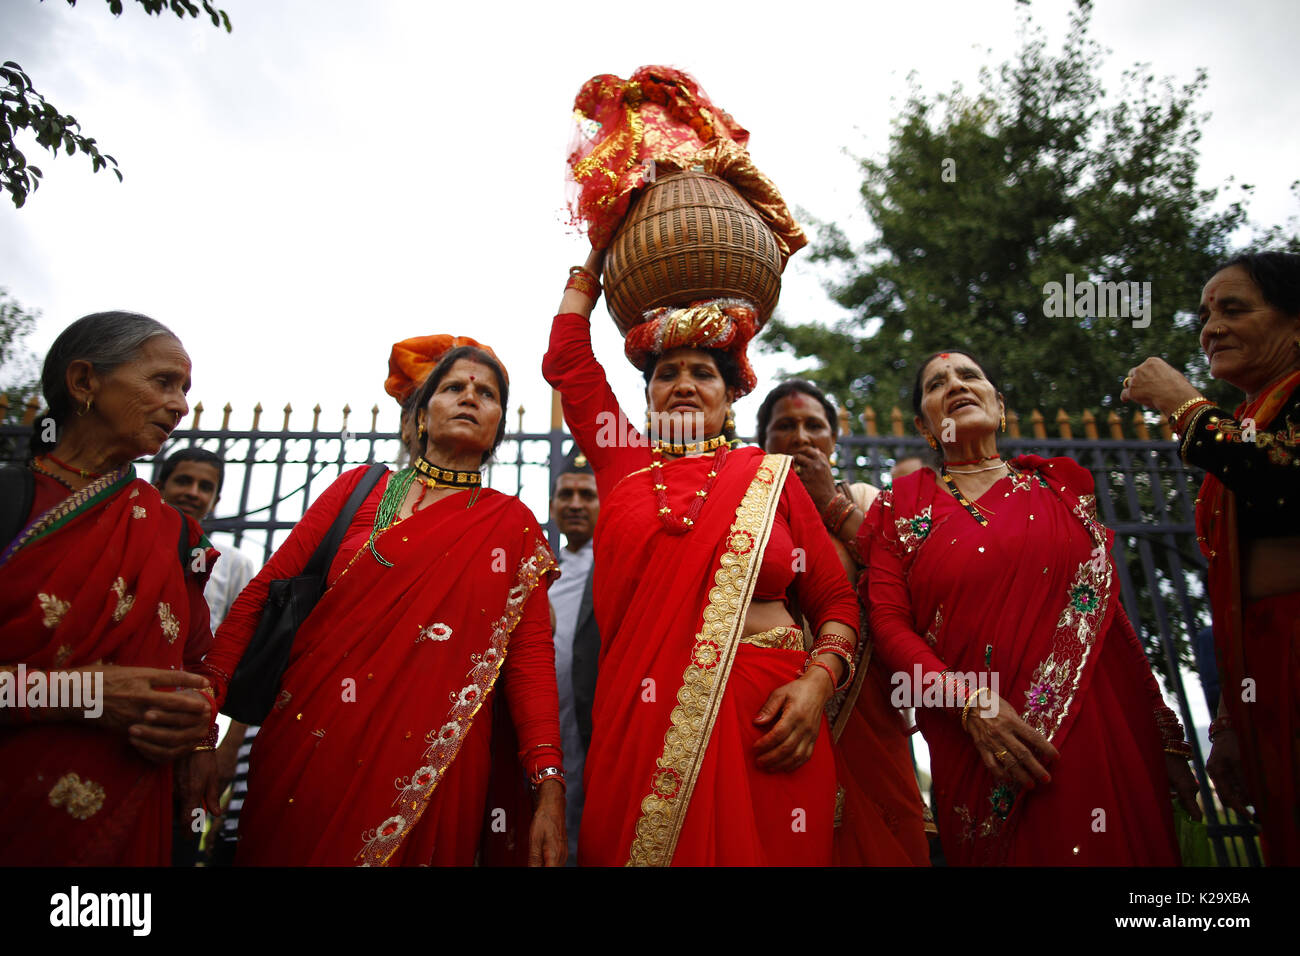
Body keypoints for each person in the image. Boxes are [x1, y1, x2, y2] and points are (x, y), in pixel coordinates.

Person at [189, 336, 567, 866]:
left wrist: (548, 785)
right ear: (420, 414)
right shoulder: (357, 491)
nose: (470, 396)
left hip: (434, 765)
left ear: (497, 426)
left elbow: (530, 665)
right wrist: (204, 731)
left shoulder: (513, 526)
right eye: (454, 386)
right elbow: (258, 598)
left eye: (487, 393)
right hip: (310, 745)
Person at [544, 255, 860, 866]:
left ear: (730, 394)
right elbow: (565, 360)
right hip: (643, 726)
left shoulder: (772, 478)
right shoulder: (623, 464)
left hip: (771, 725)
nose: (684, 383)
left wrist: (817, 686)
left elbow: (835, 603)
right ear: (648, 395)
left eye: (702, 373)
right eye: (666, 374)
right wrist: (596, 256)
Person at [860, 348, 1200, 865]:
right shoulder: (897, 507)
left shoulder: (1061, 487)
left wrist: (1162, 730)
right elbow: (887, 624)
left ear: (1000, 406)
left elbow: (1107, 616)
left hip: (1093, 725)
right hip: (976, 748)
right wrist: (967, 702)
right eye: (937, 384)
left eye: (970, 375)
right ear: (924, 424)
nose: (956, 385)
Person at [0, 311, 216, 865]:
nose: (180, 405)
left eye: (185, 389)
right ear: (84, 382)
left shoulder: (175, 534)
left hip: (126, 821)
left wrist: (192, 732)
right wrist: (80, 694)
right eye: (163, 382)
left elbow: (196, 666)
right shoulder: (10, 503)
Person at [1123, 250, 1300, 864]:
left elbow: (1284, 485)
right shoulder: (1252, 415)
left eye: (1234, 309)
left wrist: (1185, 405)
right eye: (1204, 314)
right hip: (1264, 662)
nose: (1211, 327)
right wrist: (1228, 722)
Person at [755, 379, 931, 864]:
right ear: (763, 443)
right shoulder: (751, 516)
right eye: (785, 426)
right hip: (776, 715)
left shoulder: (867, 499)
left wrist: (831, 505)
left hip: (868, 708)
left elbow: (915, 574)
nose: (802, 437)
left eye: (815, 426)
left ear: (834, 441)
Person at [155, 445, 261, 865]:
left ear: (216, 500)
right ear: (159, 486)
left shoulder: (231, 564)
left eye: (205, 487)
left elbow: (246, 656)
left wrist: (223, 745)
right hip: (118, 711)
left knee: (177, 838)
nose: (193, 493)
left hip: (196, 727)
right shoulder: (131, 548)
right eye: (183, 481)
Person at [547, 448, 601, 864]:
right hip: (547, 734)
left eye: (587, 494)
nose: (576, 504)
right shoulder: (540, 569)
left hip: (592, 732)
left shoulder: (616, 567)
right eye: (567, 494)